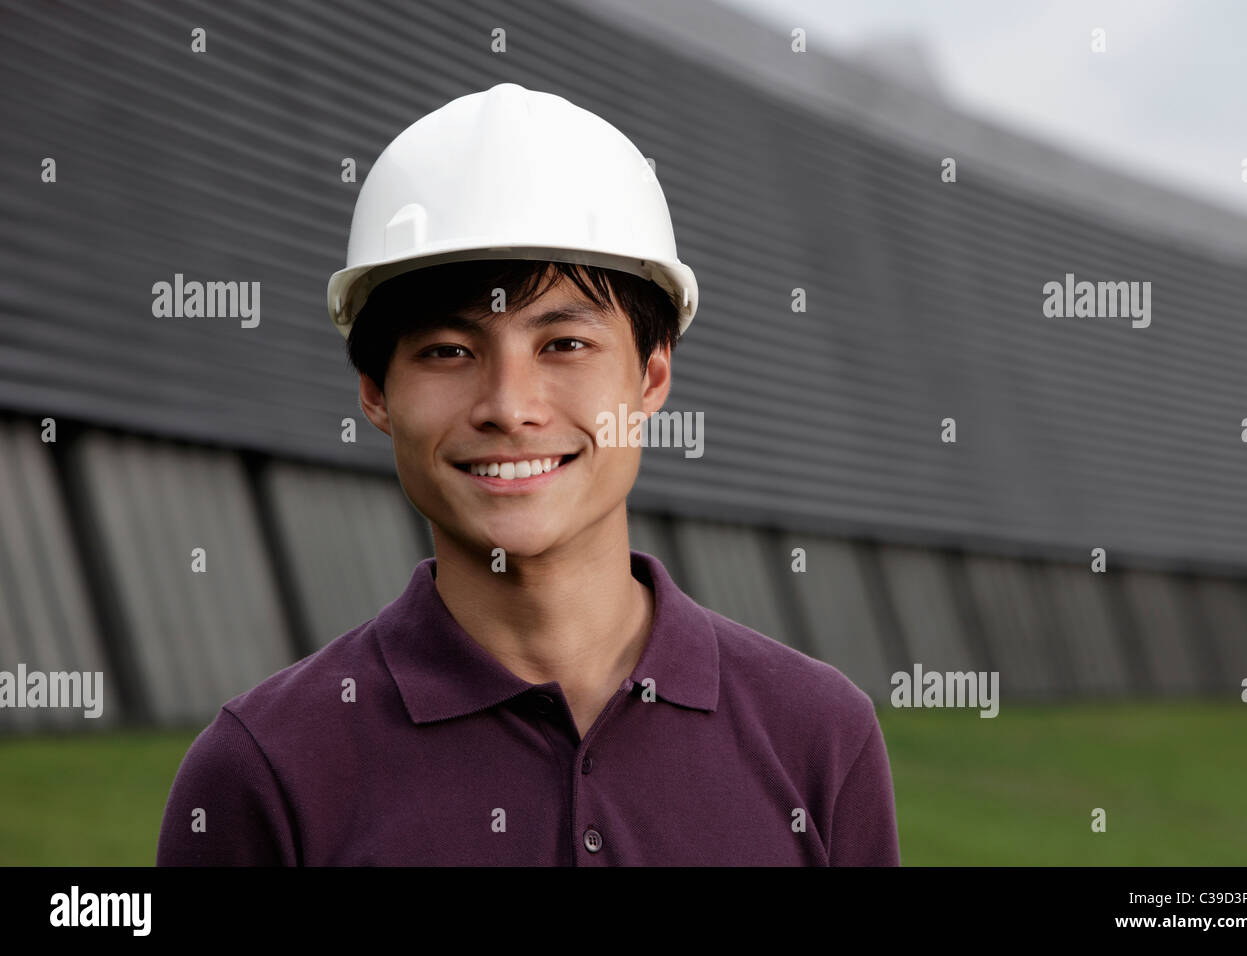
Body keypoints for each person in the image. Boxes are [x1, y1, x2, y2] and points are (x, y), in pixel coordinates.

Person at [156, 83, 900, 866]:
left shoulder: (818, 734)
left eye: (564, 345)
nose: (510, 408)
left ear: (650, 380)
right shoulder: (263, 771)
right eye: (448, 350)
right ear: (377, 394)